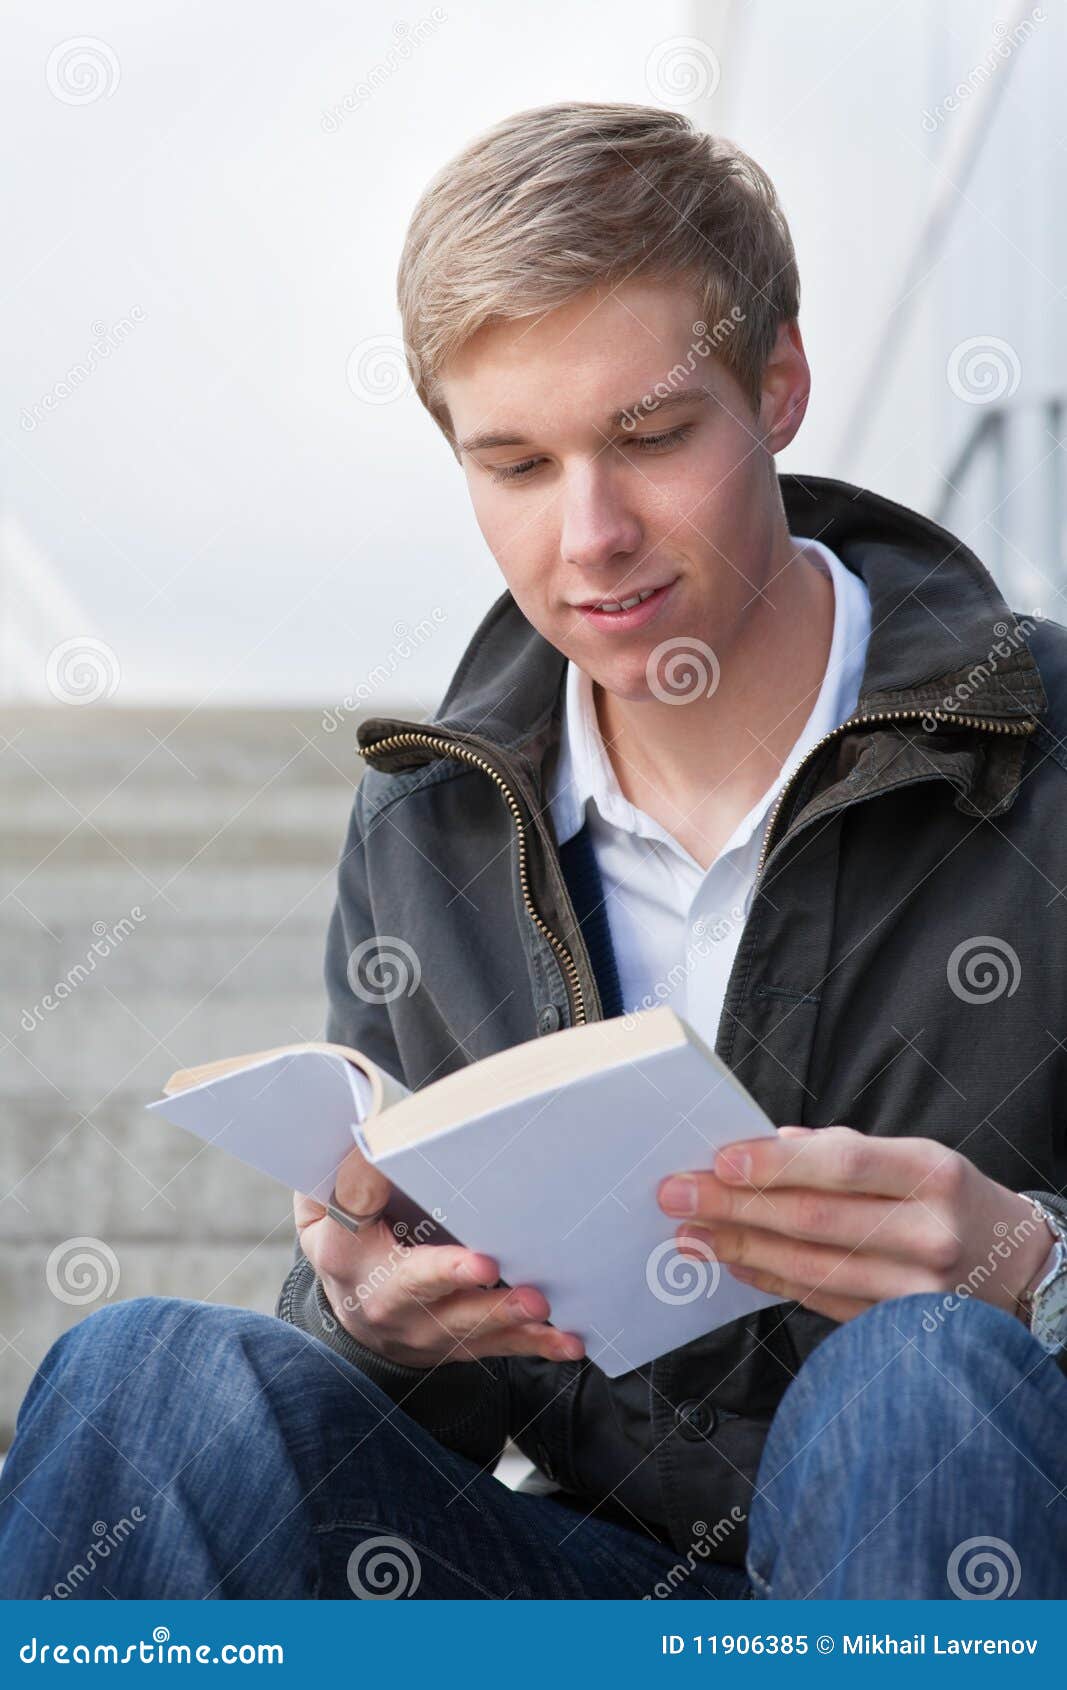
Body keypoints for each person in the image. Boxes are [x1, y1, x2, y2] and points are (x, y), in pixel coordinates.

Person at [3, 101, 1067, 1602]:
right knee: (144, 1377)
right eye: (514, 464)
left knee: (928, 1380)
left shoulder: (1046, 746)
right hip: (577, 1576)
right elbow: (415, 1397)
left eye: (649, 437)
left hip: (963, 1543)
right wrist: (371, 1314)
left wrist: (1037, 1268)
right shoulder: (428, 821)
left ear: (779, 384)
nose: (590, 537)